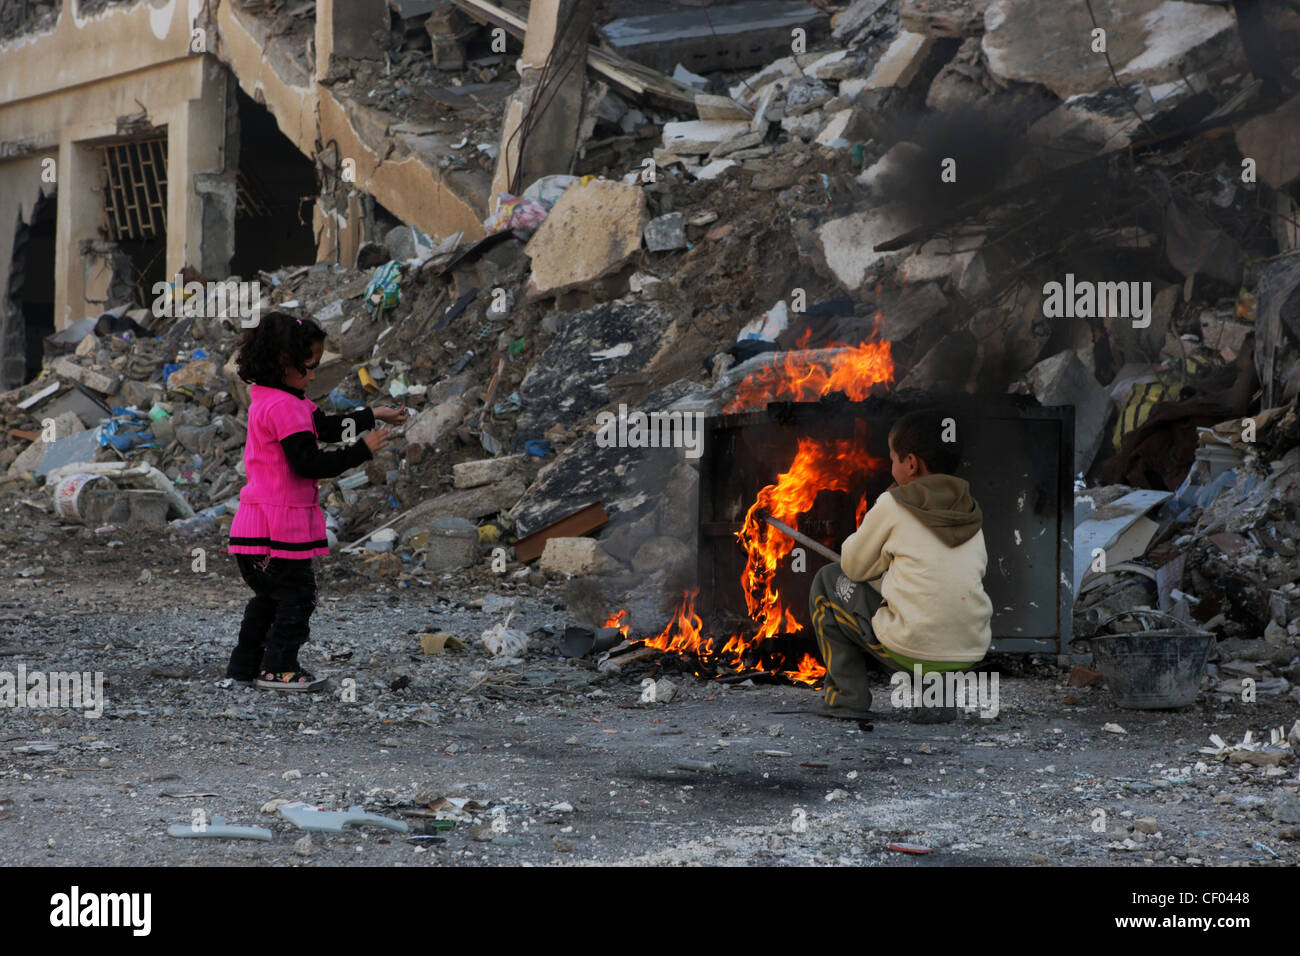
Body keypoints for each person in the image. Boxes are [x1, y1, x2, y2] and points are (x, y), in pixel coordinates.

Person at [225, 311, 407, 691]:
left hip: (254, 531)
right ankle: (279, 667)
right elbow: (308, 462)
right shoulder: (285, 407)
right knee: (297, 597)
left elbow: (323, 427)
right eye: (308, 369)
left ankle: (245, 666)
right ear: (282, 364)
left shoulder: (276, 399)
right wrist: (363, 450)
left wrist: (370, 415)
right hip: (278, 531)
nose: (312, 377)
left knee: (270, 598)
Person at [808, 408, 992, 721]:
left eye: (892, 458)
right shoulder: (970, 509)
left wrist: (876, 515)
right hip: (969, 650)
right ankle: (938, 699)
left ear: (910, 463)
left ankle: (846, 699)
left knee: (827, 581)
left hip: (911, 649)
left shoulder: (894, 503)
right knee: (936, 603)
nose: (890, 465)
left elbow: (853, 567)